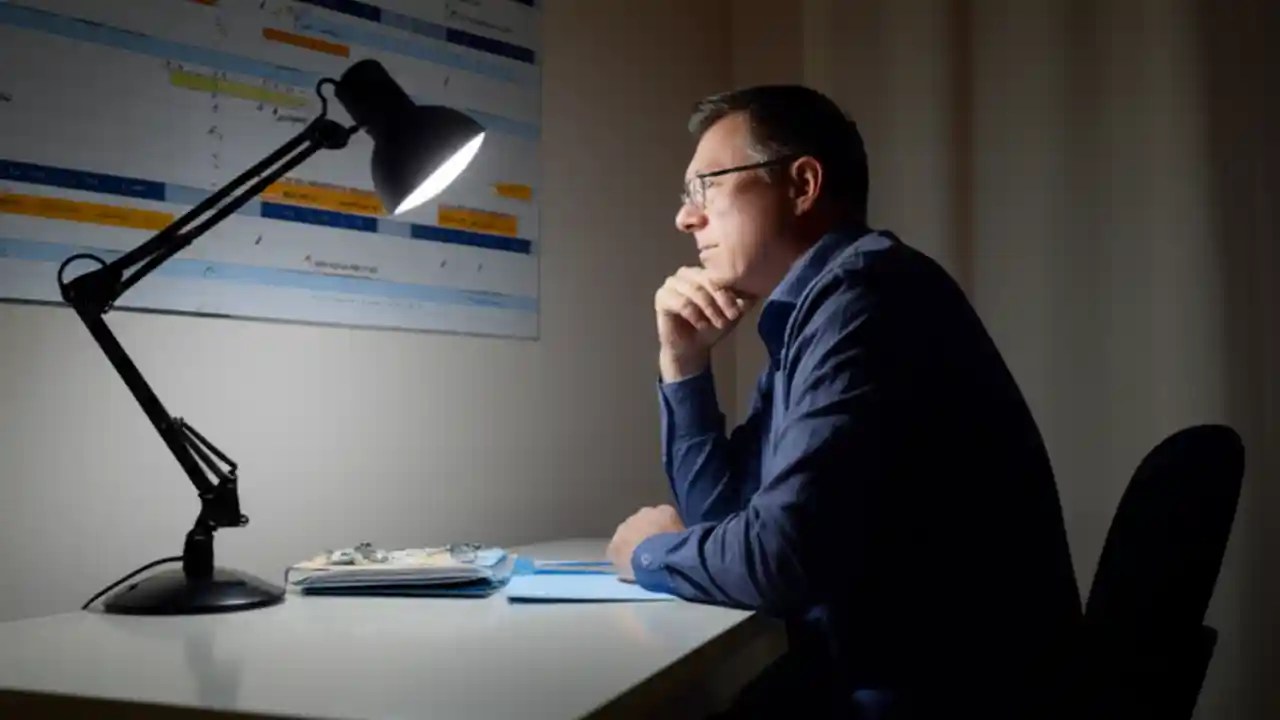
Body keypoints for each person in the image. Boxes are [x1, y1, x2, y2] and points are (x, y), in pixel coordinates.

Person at [606, 85, 1083, 718]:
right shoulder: (816, 313)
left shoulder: (865, 299)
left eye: (706, 187)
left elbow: (778, 558)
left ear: (802, 185)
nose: (685, 219)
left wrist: (648, 554)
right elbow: (724, 519)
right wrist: (684, 364)